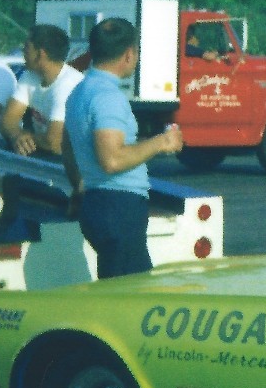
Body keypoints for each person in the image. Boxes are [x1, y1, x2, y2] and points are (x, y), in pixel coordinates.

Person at [62, 17, 185, 279]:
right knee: (132, 296)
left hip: (98, 202)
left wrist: (80, 185)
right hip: (119, 207)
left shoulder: (78, 92)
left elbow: (68, 144)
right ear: (129, 55)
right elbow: (112, 160)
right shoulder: (107, 97)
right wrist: (162, 142)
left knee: (121, 290)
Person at [1, 24, 83, 156]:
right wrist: (17, 136)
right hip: (46, 156)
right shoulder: (30, 75)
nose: (23, 53)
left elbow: (54, 143)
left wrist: (27, 138)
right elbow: (7, 122)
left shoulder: (68, 86)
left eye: (26, 48)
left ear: (40, 54)